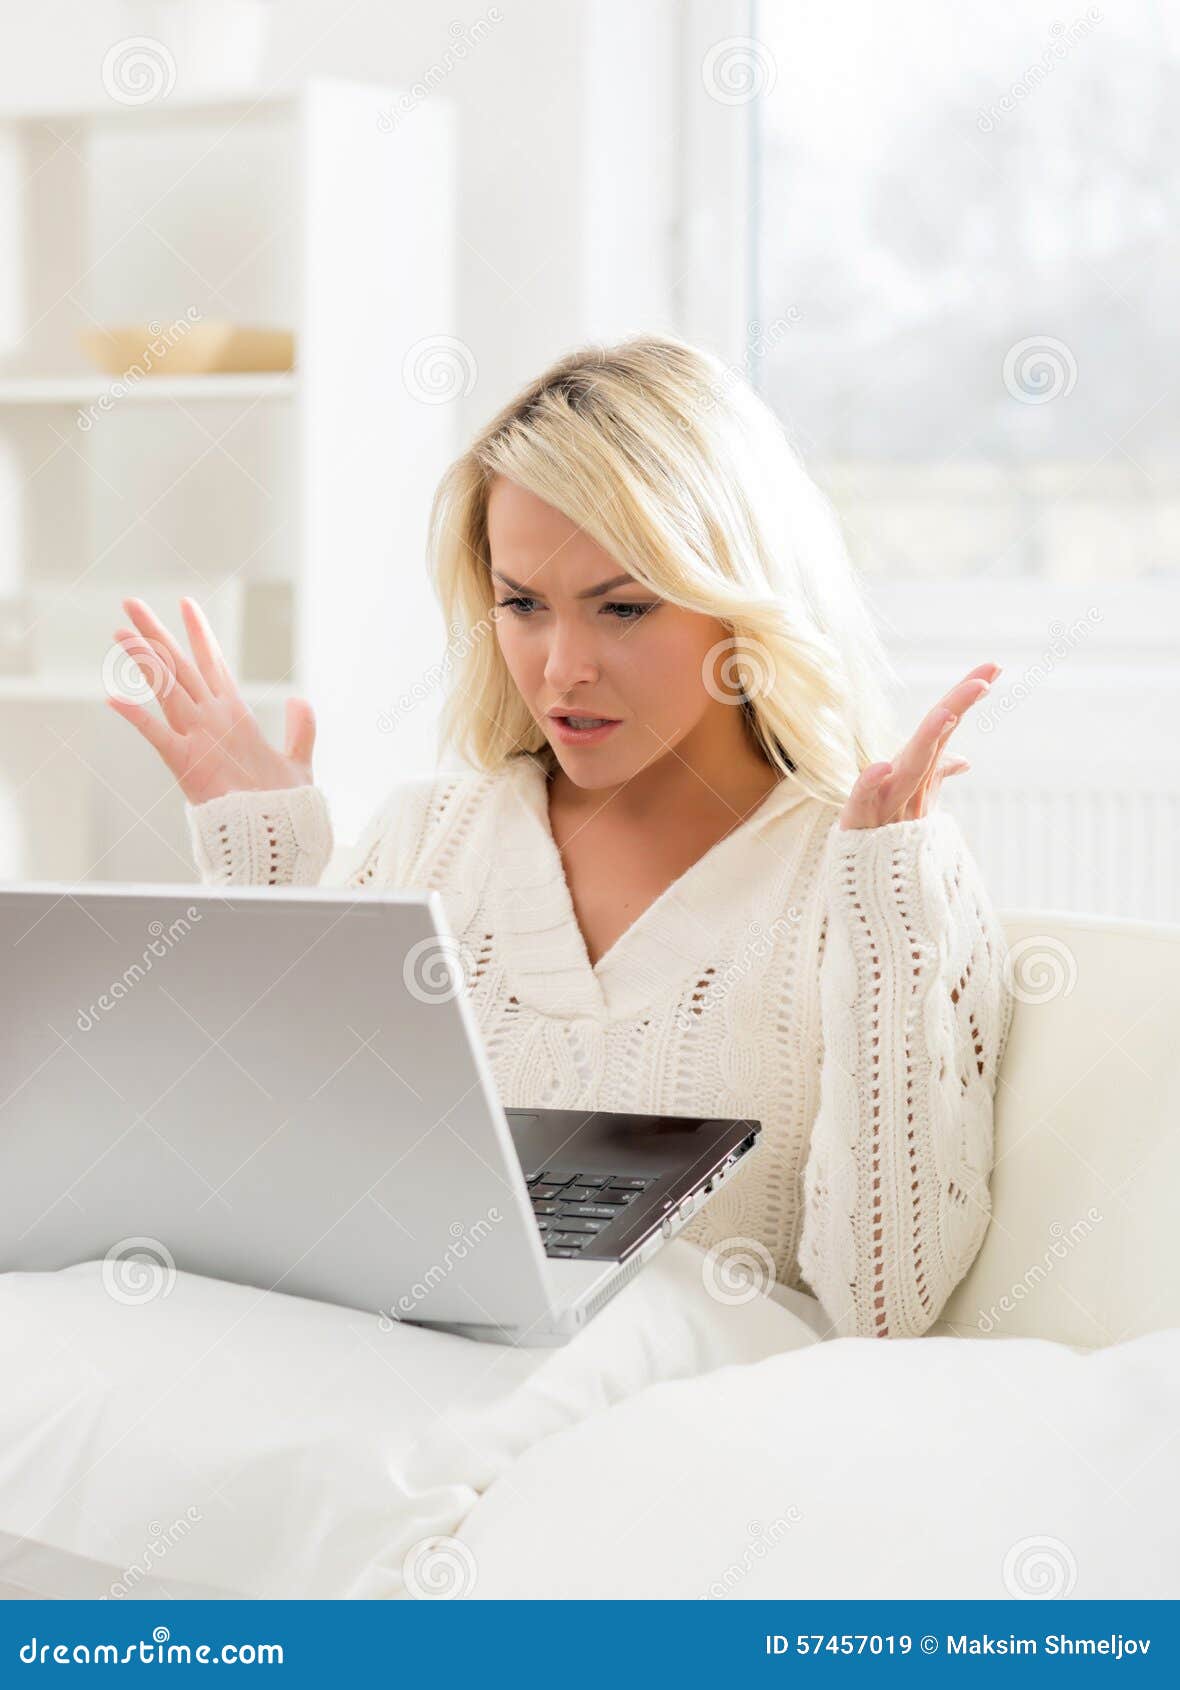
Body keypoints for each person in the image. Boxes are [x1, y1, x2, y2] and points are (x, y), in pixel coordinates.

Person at [108, 331, 1014, 1341]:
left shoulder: (872, 875)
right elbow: (255, 1207)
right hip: (407, 1404)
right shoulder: (428, 841)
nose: (561, 668)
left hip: (679, 1443)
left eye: (621, 607)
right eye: (522, 605)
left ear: (740, 607)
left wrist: (889, 912)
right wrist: (268, 879)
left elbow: (883, 1309)